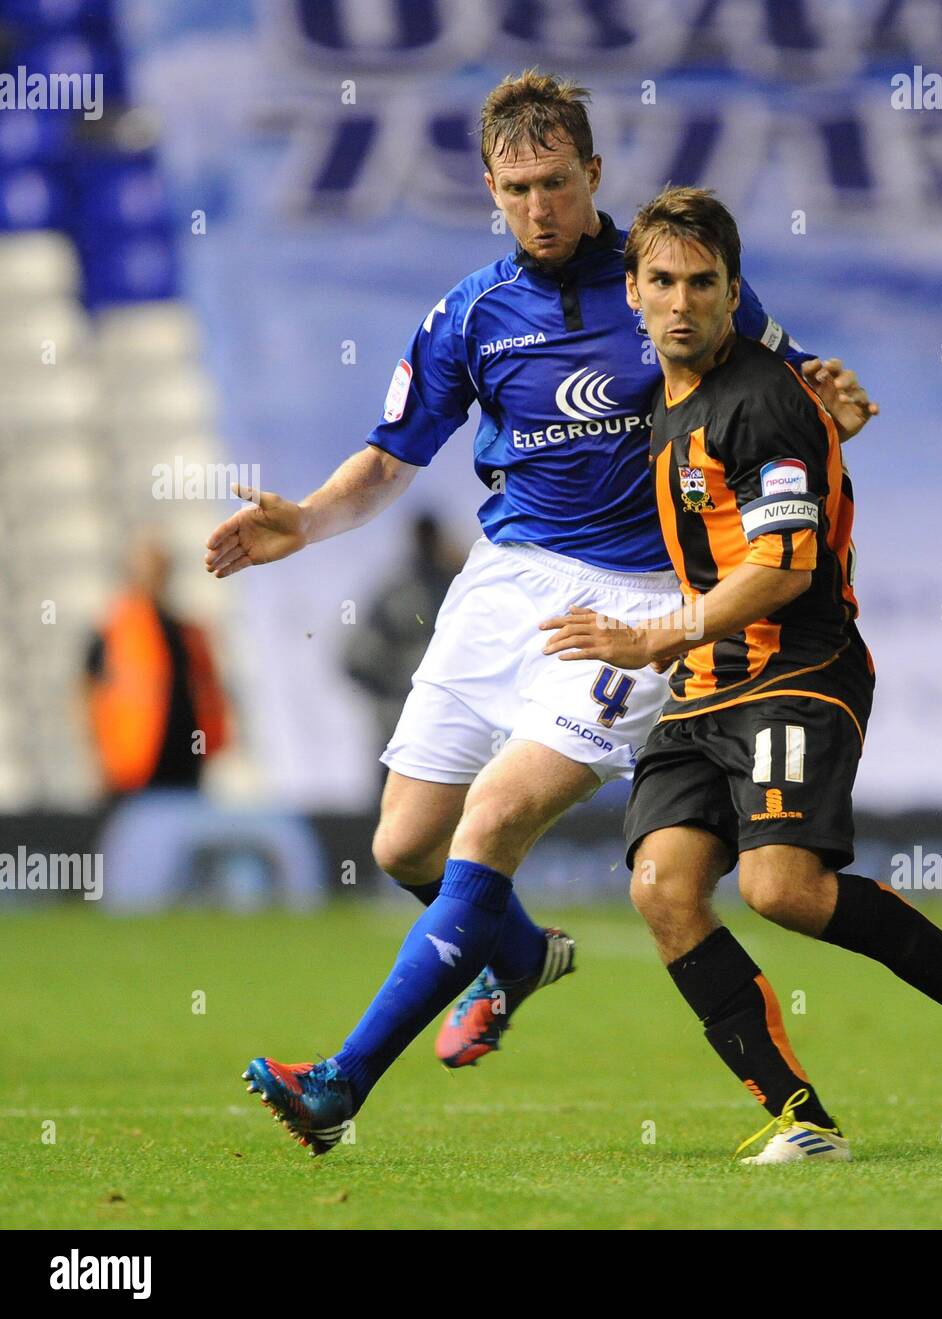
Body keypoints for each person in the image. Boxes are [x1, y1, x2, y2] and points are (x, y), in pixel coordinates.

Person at [207, 71, 874, 1153]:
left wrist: (830, 401)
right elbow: (391, 458)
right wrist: (308, 519)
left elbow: (782, 392)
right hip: (506, 580)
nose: (539, 207)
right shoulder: (471, 311)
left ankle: (339, 1084)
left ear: (593, 175)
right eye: (516, 187)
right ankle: (519, 956)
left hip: (639, 601)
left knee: (492, 820)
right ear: (490, 187)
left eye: (556, 182)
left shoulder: (662, 279)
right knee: (404, 841)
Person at [540, 186, 942, 1164]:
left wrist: (653, 634)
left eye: (701, 283)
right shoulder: (664, 402)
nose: (680, 302)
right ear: (632, 291)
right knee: (662, 886)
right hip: (706, 686)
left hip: (798, 668)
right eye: (661, 281)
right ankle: (802, 1116)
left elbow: (786, 564)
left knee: (781, 887)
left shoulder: (758, 400)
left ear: (732, 291)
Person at [85, 532, 228, 797]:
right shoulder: (113, 629)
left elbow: (206, 691)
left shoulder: (186, 631)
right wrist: (99, 757)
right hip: (133, 762)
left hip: (184, 761)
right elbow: (87, 690)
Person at [342, 513, 459, 792]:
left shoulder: (464, 587)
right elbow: (356, 659)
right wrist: (398, 697)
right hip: (406, 731)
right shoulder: (398, 594)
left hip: (454, 731)